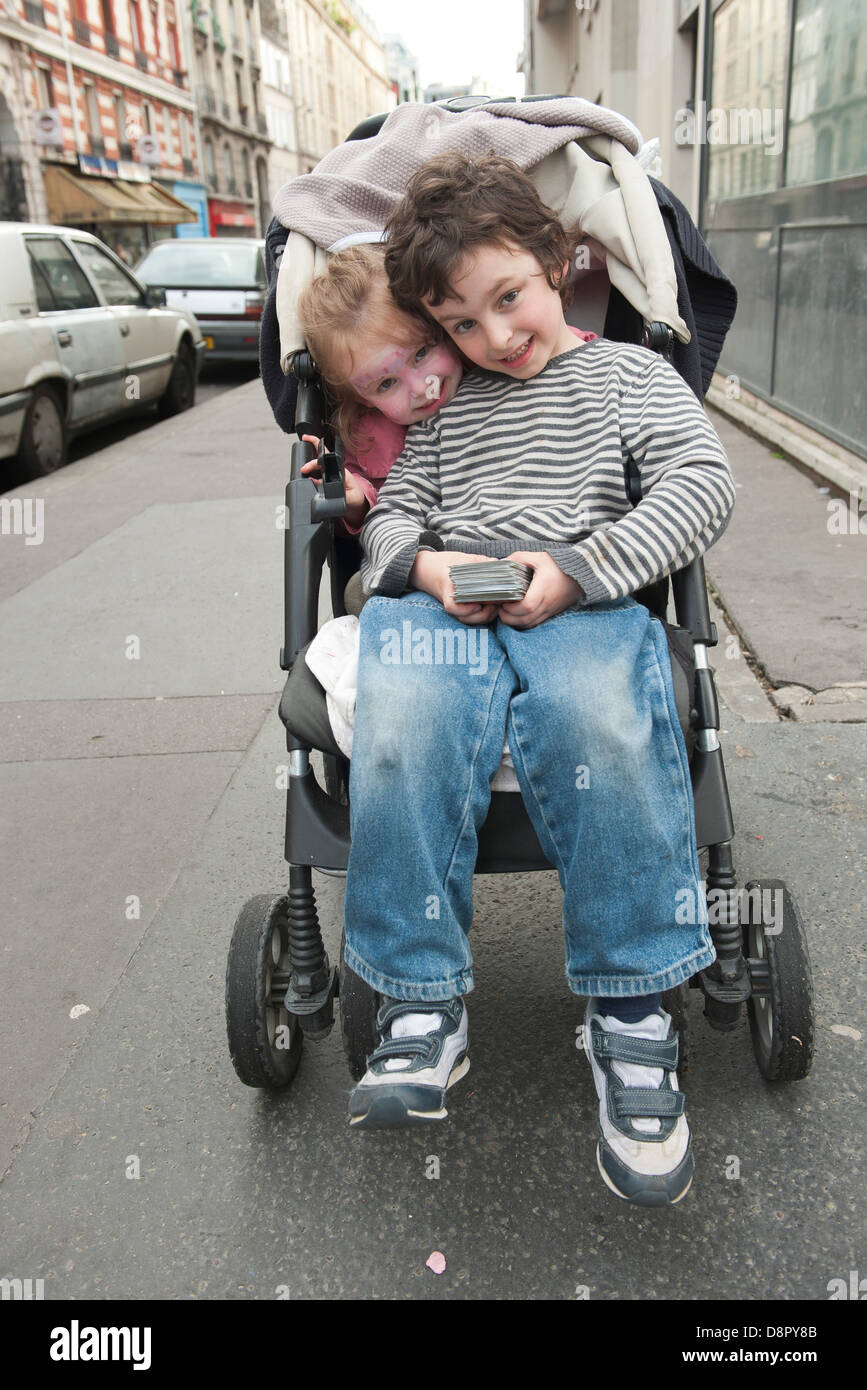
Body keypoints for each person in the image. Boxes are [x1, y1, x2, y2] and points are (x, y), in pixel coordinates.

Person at [341, 154, 737, 1208]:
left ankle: (634, 1009)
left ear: (561, 262)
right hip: (450, 604)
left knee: (599, 716)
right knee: (406, 707)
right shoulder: (447, 409)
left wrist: (579, 570)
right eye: (462, 324)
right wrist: (423, 567)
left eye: (508, 298)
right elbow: (388, 514)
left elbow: (701, 486)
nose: (494, 338)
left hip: (585, 597)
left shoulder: (628, 378)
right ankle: (419, 1000)